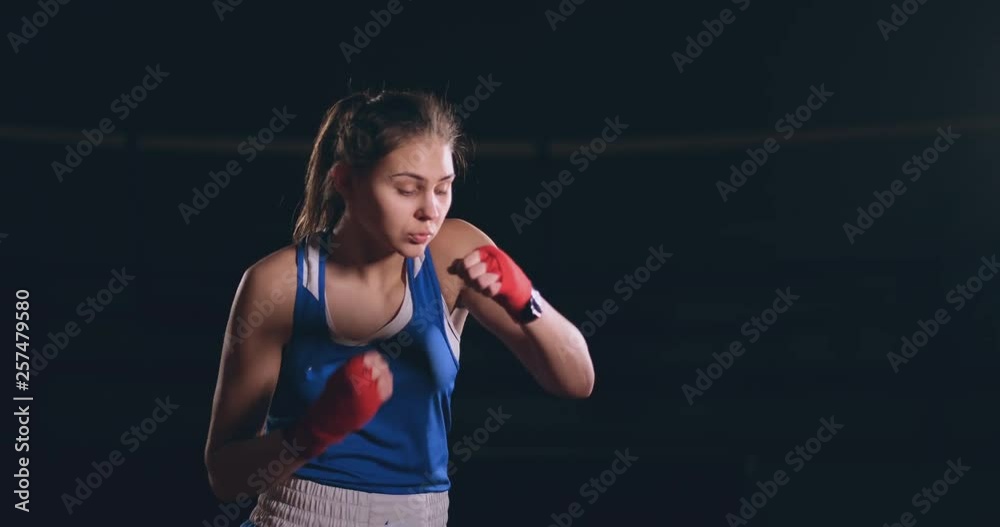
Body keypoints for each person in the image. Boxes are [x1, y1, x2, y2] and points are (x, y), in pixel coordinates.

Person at [203, 89, 595, 527]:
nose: (430, 211)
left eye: (443, 189)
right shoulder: (278, 285)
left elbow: (577, 381)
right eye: (407, 189)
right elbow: (225, 475)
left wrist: (528, 300)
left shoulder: (454, 254)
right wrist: (312, 433)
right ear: (346, 182)